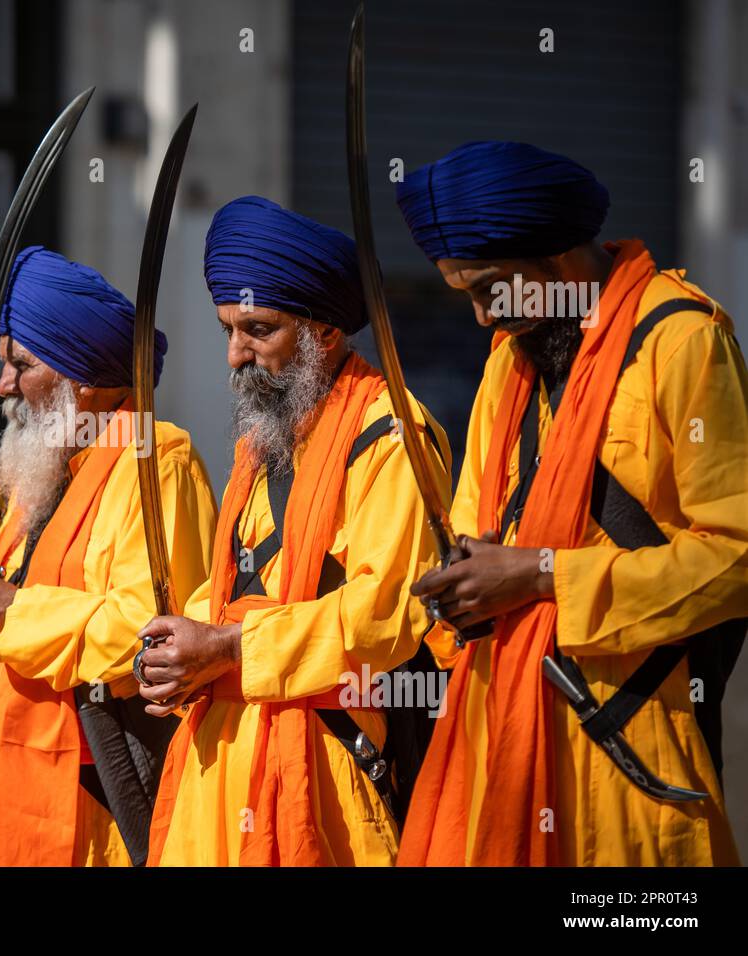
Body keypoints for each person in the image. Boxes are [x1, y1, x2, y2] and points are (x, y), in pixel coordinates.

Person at [397, 141, 745, 865]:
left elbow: (737, 555)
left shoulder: (683, 341)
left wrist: (545, 575)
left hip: (629, 747)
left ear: (557, 262)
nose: (481, 320)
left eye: (489, 289)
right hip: (500, 741)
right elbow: (475, 525)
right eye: (463, 294)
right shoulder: (510, 360)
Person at [138, 196, 451, 866]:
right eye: (228, 331)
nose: (234, 356)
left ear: (324, 333)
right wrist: (179, 643)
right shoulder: (263, 443)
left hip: (326, 774)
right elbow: (242, 585)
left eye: (257, 330)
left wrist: (223, 646)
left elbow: (383, 619)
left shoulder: (391, 437)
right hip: (216, 769)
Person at [0, 246, 218, 866]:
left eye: (22, 365)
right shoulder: (40, 475)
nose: (3, 386)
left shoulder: (156, 463)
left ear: (82, 380)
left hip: (92, 811)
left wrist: (10, 611)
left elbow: (150, 631)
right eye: (3, 365)